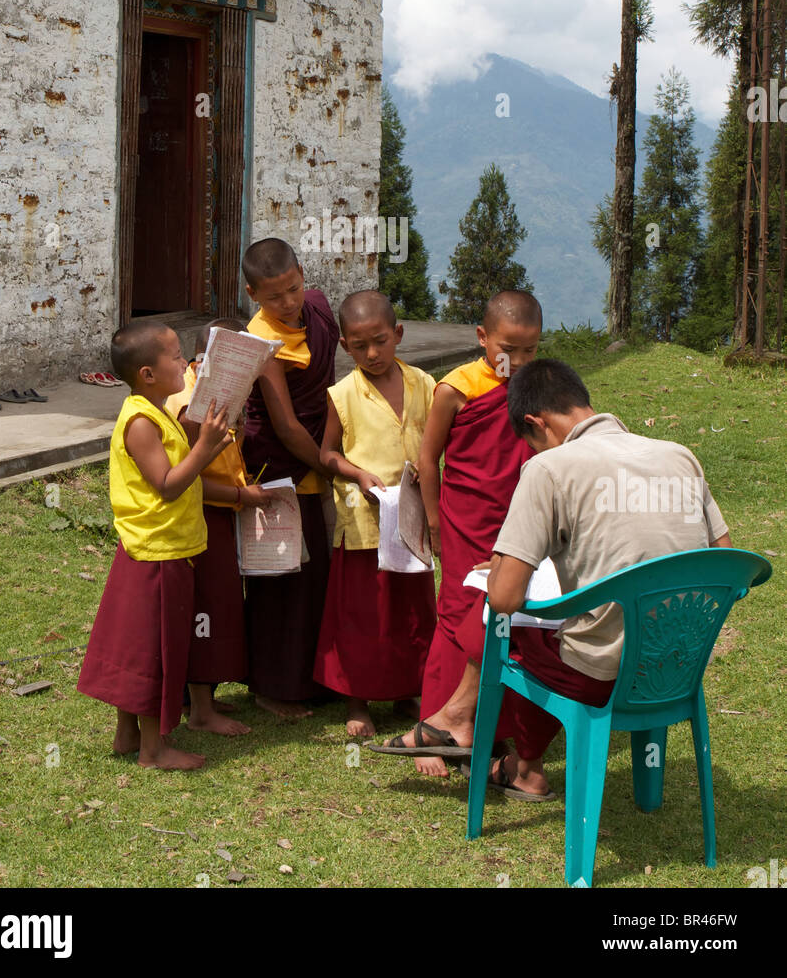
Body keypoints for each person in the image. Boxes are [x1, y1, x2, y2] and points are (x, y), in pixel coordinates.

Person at [373, 359, 731, 801]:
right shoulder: (679, 455)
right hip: (680, 666)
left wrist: (505, 569)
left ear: (534, 423)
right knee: (554, 623)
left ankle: (478, 735)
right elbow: (722, 556)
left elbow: (504, 599)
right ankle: (504, 755)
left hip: (605, 678)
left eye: (531, 444)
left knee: (500, 624)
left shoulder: (551, 468)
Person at [77, 320, 231, 770]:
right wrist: (205, 449)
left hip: (157, 548)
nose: (184, 361)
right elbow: (165, 485)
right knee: (153, 651)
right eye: (176, 355)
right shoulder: (142, 422)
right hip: (156, 551)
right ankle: (153, 750)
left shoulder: (157, 410)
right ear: (147, 373)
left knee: (139, 644)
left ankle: (127, 734)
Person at [409, 291, 542, 775]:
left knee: (508, 620)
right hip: (465, 519)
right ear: (483, 337)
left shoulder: (538, 387)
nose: (519, 361)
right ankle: (433, 725)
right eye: (509, 348)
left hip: (519, 522)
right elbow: (428, 459)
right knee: (457, 616)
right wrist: (434, 522)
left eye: (530, 350)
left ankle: (488, 729)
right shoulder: (457, 387)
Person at [312, 290, 438, 738]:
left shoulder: (425, 384)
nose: (372, 353)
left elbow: (438, 446)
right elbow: (326, 454)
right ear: (345, 346)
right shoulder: (343, 394)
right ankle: (358, 698)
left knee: (413, 611)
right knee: (363, 614)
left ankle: (408, 690)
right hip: (364, 521)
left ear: (398, 334)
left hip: (411, 519)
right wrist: (357, 474)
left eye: (381, 341)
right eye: (360, 345)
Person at [240, 237, 339, 718]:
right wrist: (331, 464)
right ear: (252, 294)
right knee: (281, 575)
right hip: (278, 461)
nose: (288, 302)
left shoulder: (318, 309)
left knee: (317, 573)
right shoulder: (260, 340)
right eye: (274, 296)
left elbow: (330, 383)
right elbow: (284, 423)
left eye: (294, 289)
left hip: (320, 444)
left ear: (303, 276)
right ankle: (272, 687)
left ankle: (314, 677)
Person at [166, 318, 274, 738]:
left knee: (221, 604)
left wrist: (241, 436)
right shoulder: (189, 403)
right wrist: (240, 498)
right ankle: (200, 709)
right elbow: (187, 476)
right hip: (201, 518)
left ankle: (199, 695)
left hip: (221, 516)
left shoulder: (223, 398)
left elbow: (224, 461)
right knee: (206, 608)